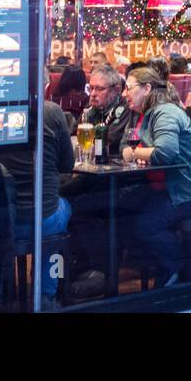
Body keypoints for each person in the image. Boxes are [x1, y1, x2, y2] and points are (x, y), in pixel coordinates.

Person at [121, 67, 191, 286]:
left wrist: (136, 153)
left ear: (147, 88)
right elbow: (132, 144)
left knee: (146, 223)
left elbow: (165, 153)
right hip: (185, 187)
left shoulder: (164, 113)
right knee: (129, 210)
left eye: (128, 88)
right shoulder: (152, 114)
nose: (124, 94)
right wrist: (138, 152)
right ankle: (170, 269)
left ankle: (180, 268)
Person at [62, 66, 133, 297]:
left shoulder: (122, 110)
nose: (92, 94)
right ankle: (82, 267)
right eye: (90, 88)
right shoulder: (91, 111)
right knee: (66, 198)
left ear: (115, 90)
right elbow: (78, 137)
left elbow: (110, 140)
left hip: (123, 182)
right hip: (95, 176)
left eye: (99, 89)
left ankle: (100, 271)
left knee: (75, 205)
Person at [0, 99, 74, 306]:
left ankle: (3, 296)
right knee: (64, 209)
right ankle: (48, 293)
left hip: (3, 222)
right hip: (44, 219)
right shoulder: (52, 111)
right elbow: (68, 164)